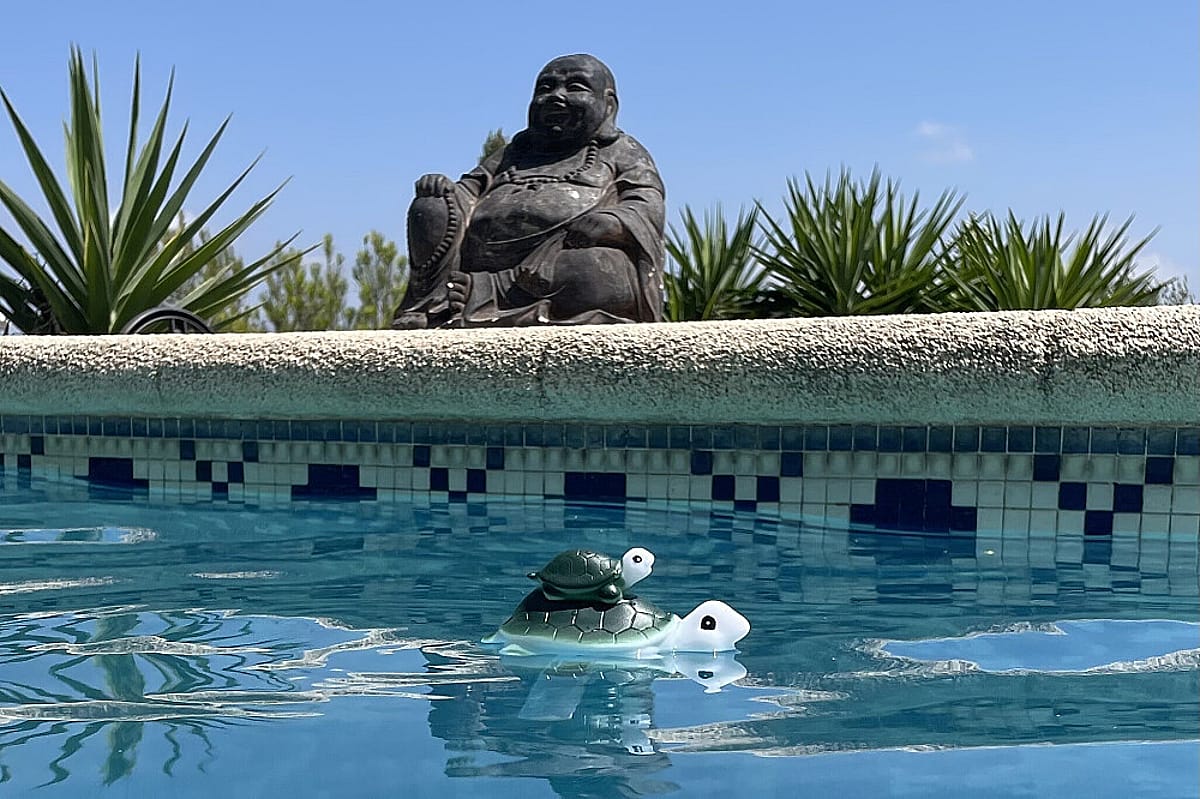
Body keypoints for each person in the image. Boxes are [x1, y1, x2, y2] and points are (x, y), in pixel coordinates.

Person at [392, 54, 666, 328]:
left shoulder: (622, 151)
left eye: (575, 87)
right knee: (429, 207)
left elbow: (647, 203)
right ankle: (434, 300)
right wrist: (442, 191)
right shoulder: (515, 152)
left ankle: (485, 291)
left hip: (560, 258)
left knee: (601, 270)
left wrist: (613, 222)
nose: (556, 96)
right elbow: (468, 190)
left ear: (608, 105)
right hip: (482, 256)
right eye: (545, 88)